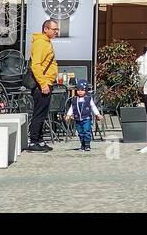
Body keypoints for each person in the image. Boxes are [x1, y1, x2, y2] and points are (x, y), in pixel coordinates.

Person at [24, 19, 60, 152]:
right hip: (42, 85)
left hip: (46, 83)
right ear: (46, 29)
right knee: (39, 114)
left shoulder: (46, 42)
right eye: (54, 29)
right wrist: (43, 84)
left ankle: (39, 140)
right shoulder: (40, 43)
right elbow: (36, 65)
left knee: (43, 113)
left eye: (57, 29)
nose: (56, 31)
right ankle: (33, 141)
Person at [64, 79, 102, 152]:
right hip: (77, 118)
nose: (80, 92)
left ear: (86, 90)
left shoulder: (88, 99)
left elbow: (93, 107)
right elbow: (72, 108)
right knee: (80, 132)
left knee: (87, 131)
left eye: (82, 90)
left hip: (86, 118)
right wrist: (68, 115)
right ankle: (82, 144)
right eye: (78, 90)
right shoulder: (74, 99)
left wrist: (97, 114)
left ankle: (87, 144)